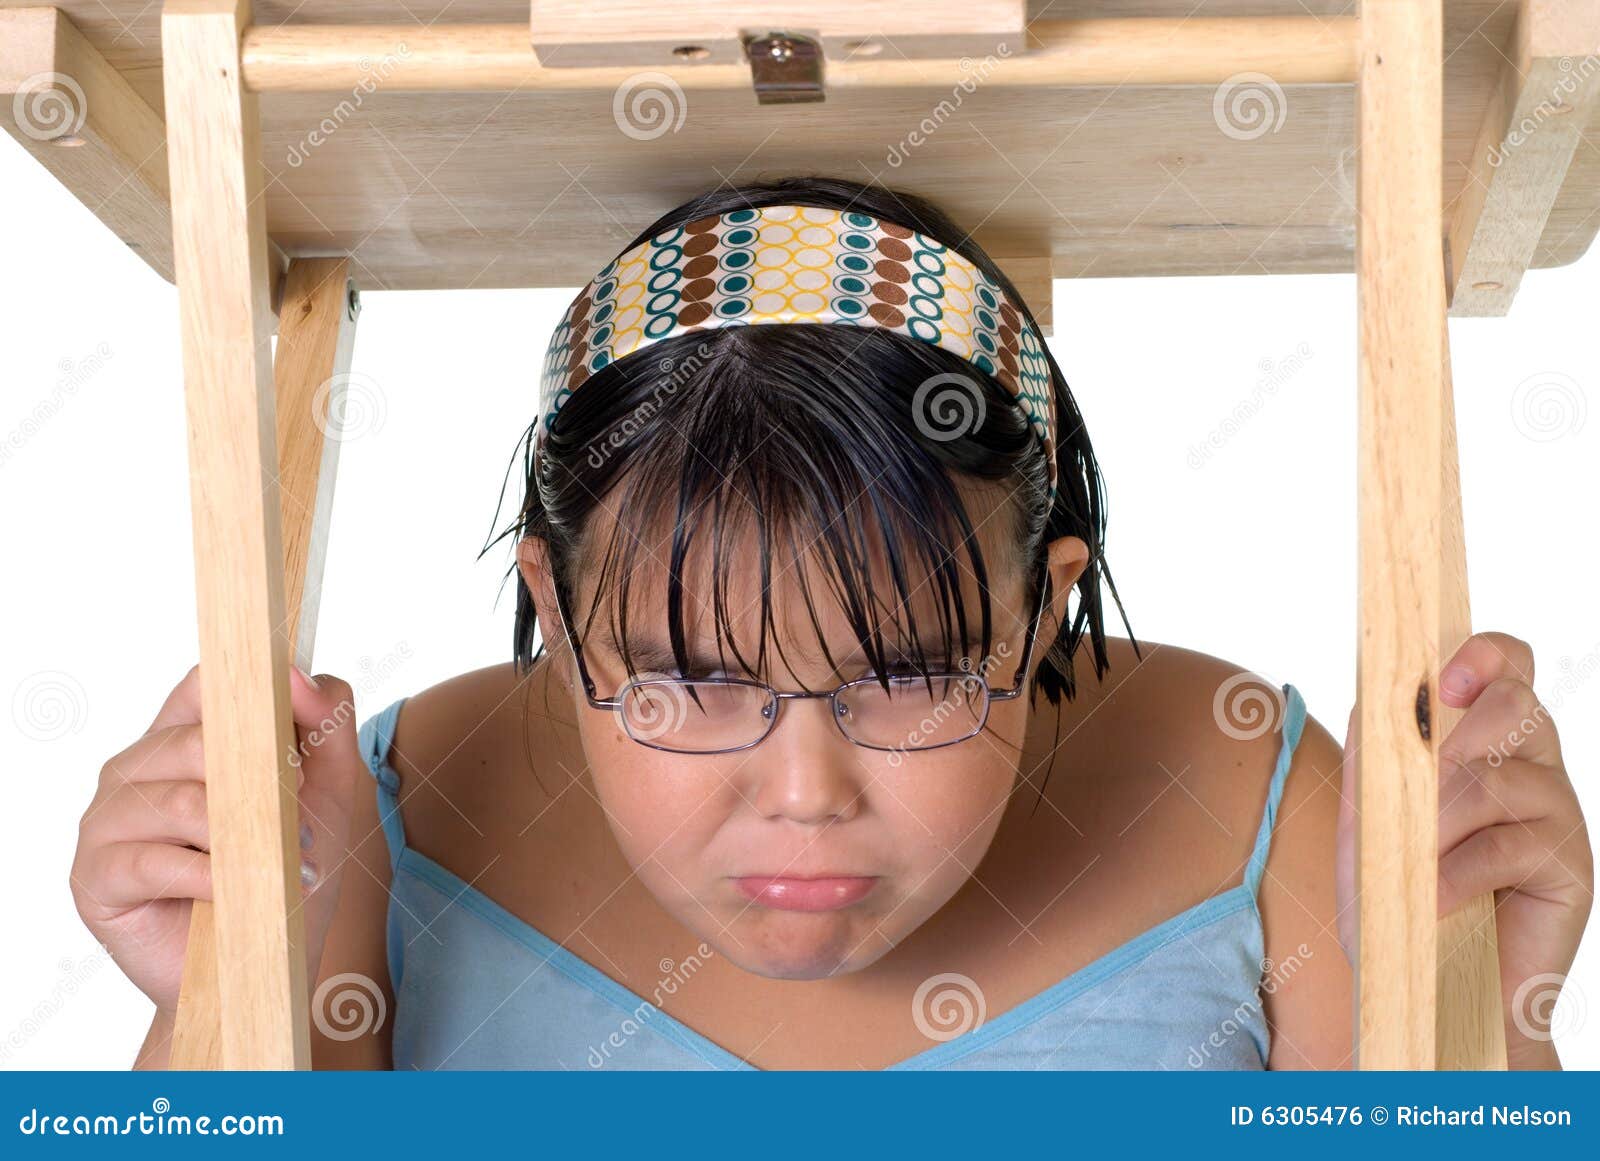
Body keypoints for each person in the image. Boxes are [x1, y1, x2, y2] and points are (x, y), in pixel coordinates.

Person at [73, 177, 1592, 1070]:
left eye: (913, 670)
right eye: (685, 675)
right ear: (556, 601)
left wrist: (1497, 1032)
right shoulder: (372, 823)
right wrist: (213, 1023)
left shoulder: (1257, 791)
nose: (805, 795)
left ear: (1045, 597)